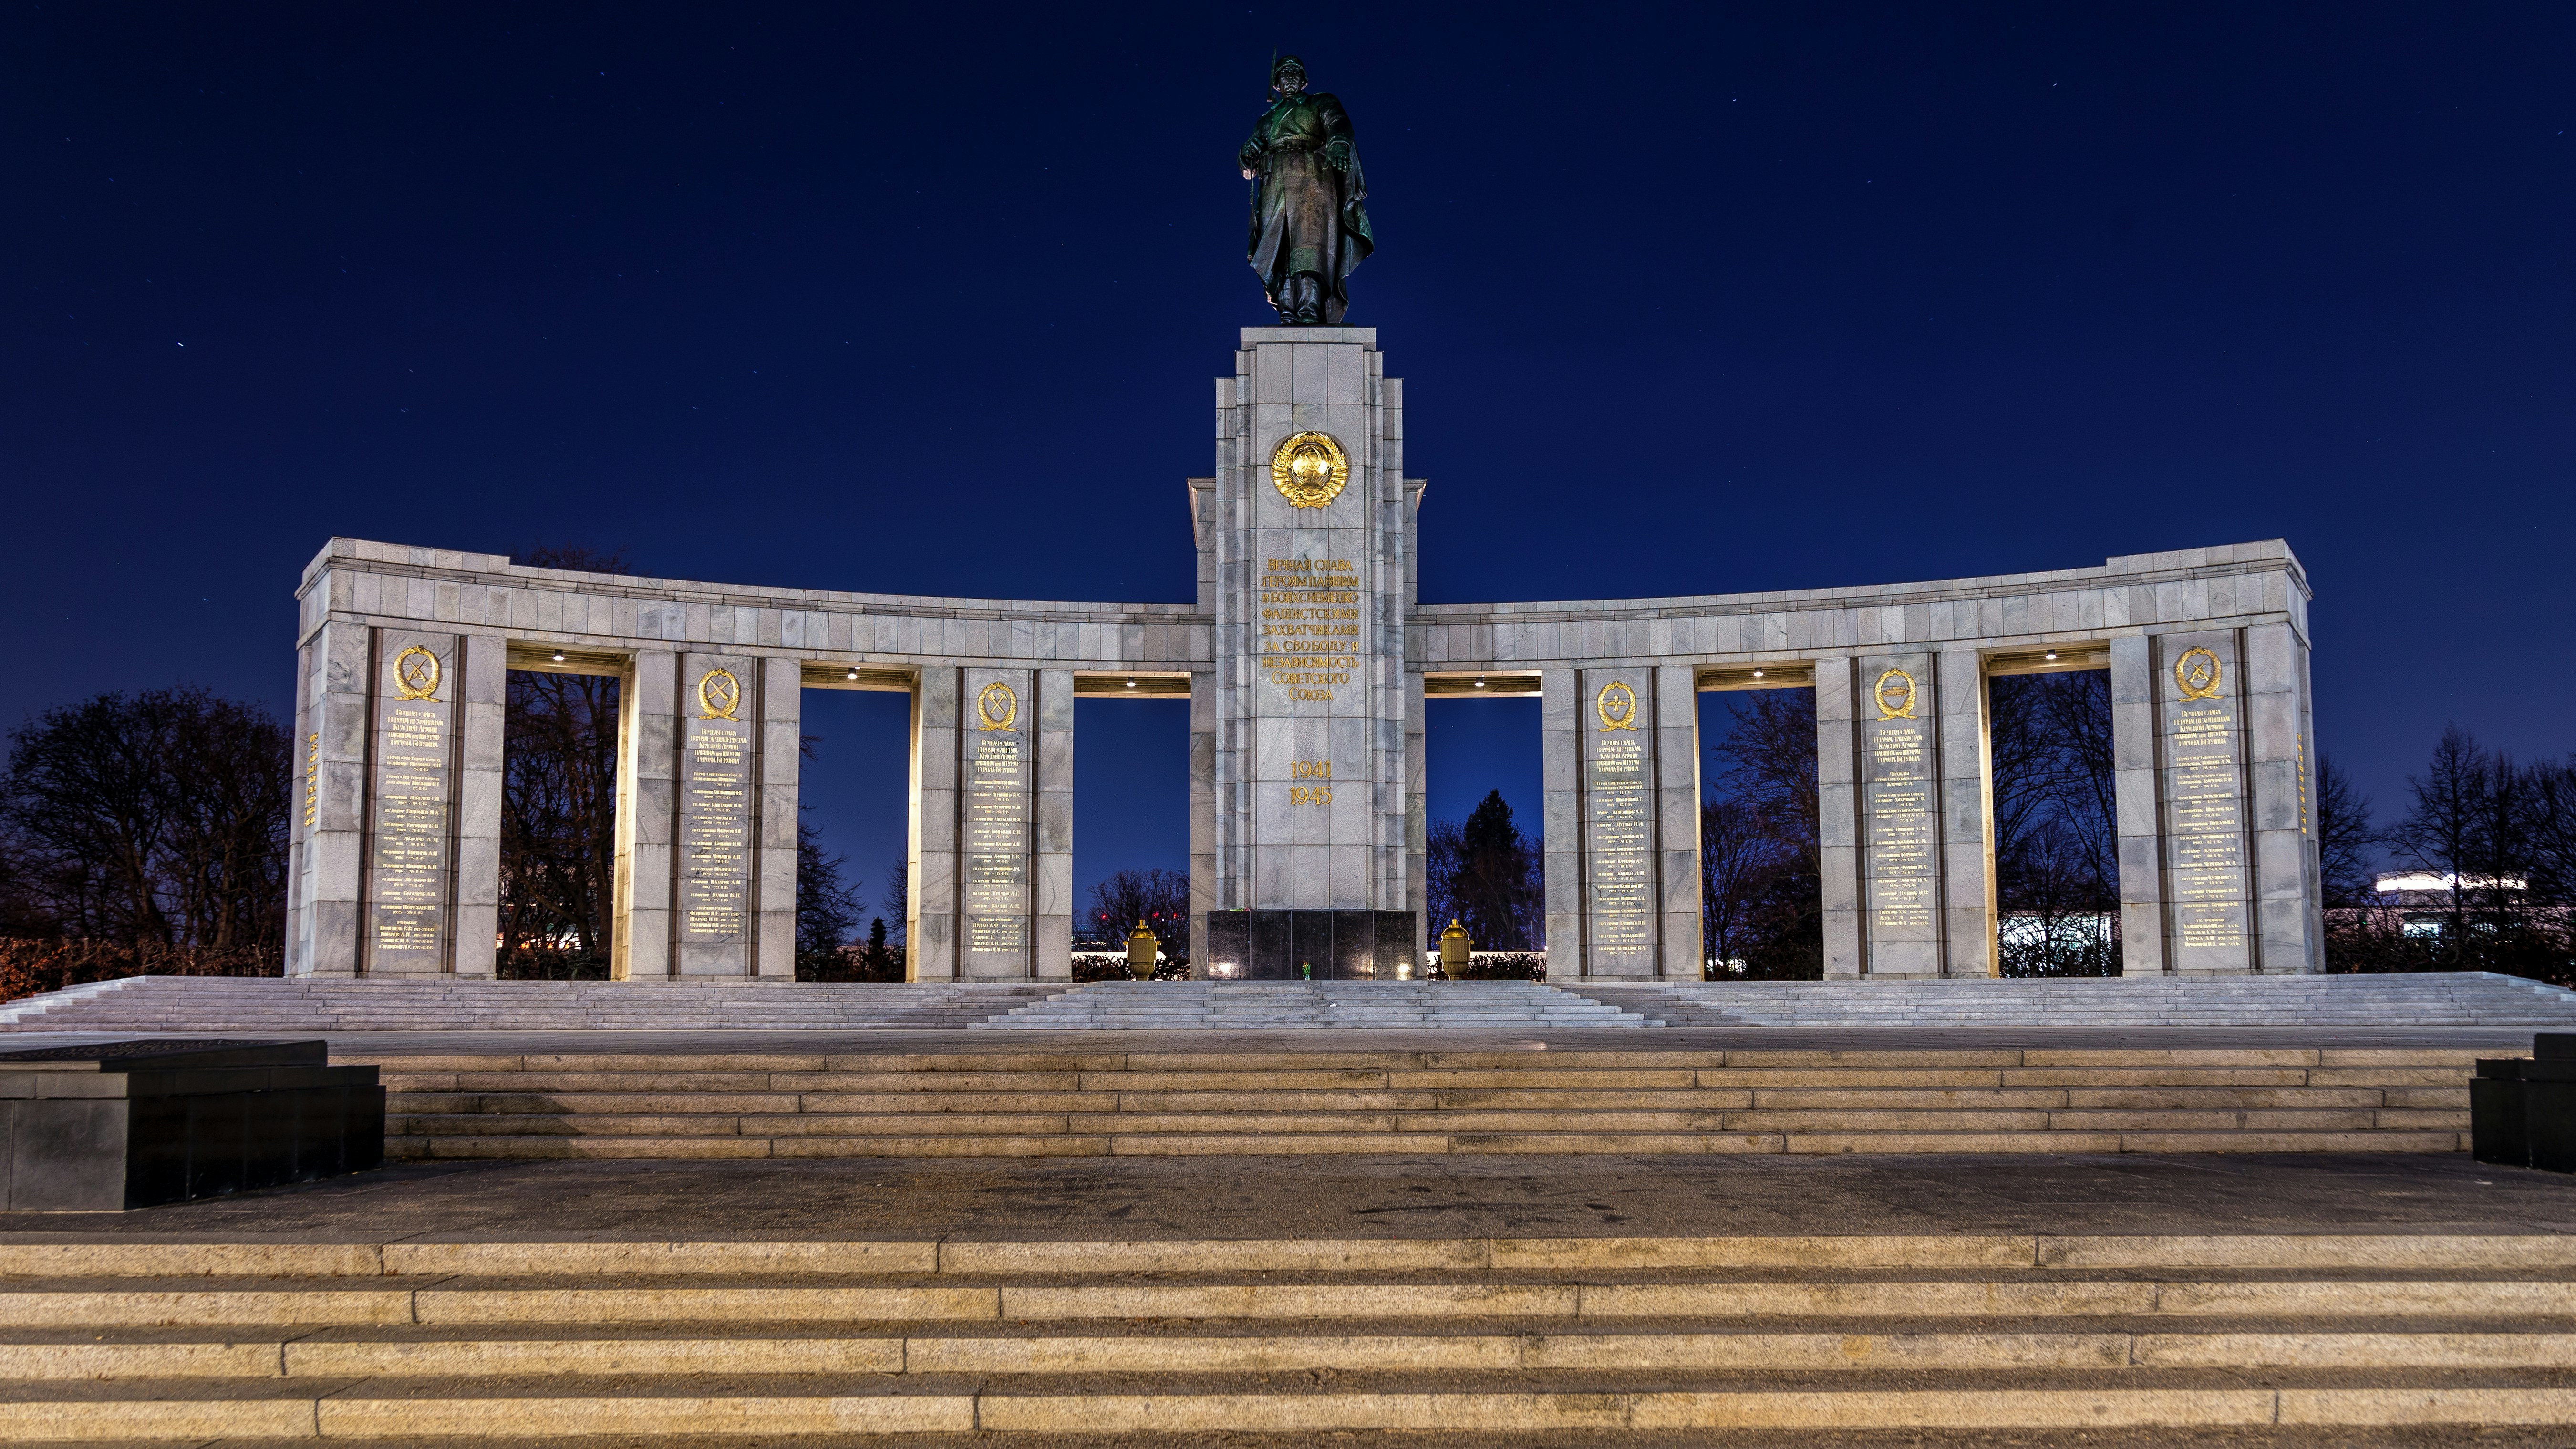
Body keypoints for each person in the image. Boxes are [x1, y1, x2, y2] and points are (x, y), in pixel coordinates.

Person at [1238, 56, 1374, 324]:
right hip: (1274, 180)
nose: (1289, 77)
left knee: (1310, 243)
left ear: (1304, 81)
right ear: (1276, 84)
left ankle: (1310, 306)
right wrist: (1246, 153)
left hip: (1312, 174)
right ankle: (1287, 309)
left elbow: (1338, 122)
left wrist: (1338, 144)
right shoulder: (1267, 119)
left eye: (1295, 72)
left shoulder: (1320, 102)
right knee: (1279, 247)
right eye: (1284, 73)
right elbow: (1248, 168)